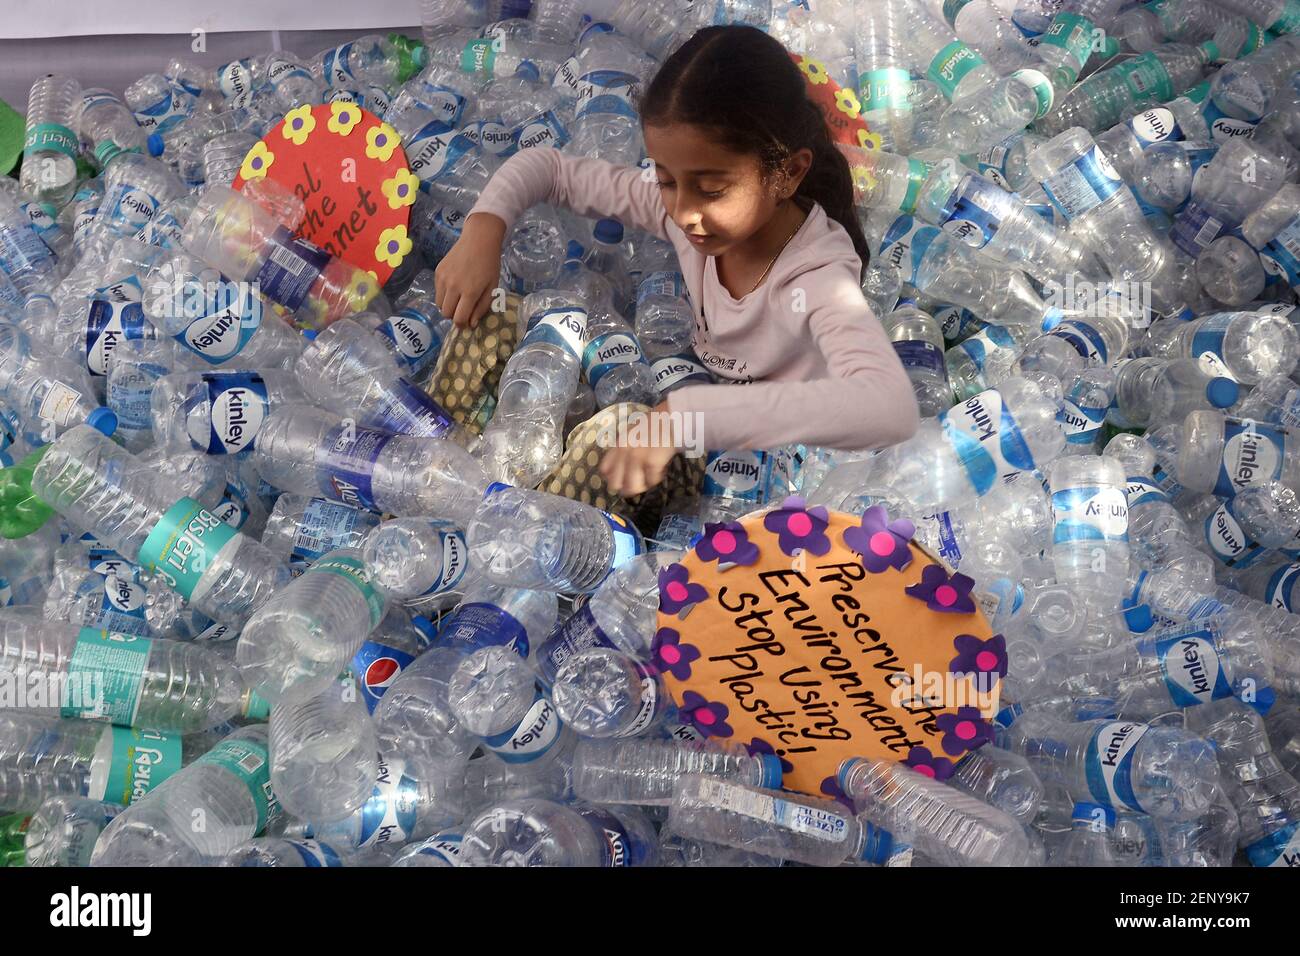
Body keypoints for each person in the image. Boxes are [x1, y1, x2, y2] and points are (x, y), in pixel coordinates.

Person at [434, 24, 919, 497]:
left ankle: (521, 527)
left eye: (712, 189)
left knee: (621, 428)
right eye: (667, 180)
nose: (684, 212)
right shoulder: (689, 217)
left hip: (747, 473)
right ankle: (439, 472)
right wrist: (484, 229)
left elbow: (888, 408)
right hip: (678, 397)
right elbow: (550, 168)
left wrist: (685, 416)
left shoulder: (815, 277)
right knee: (492, 312)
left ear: (787, 174)